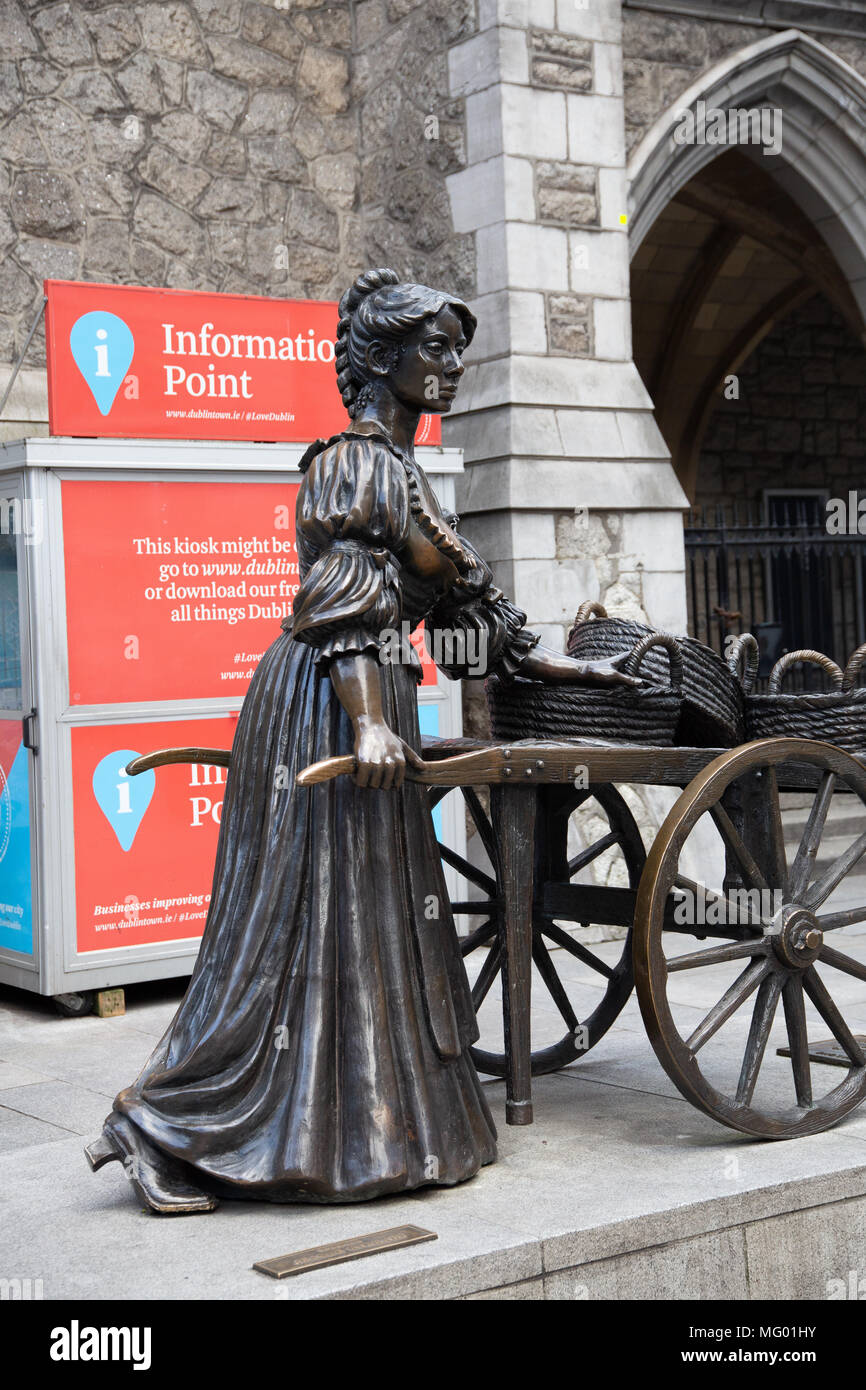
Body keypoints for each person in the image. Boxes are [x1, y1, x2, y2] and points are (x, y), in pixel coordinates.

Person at [86, 268, 638, 1213]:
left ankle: (366, 1131)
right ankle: (159, 1123)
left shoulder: (409, 477)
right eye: (435, 347)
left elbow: (486, 624)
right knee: (291, 923)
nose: (454, 365)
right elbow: (342, 600)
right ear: (382, 360)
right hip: (329, 702)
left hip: (365, 700)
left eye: (458, 347)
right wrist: (372, 721)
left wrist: (577, 671)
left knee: (368, 918)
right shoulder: (352, 463)